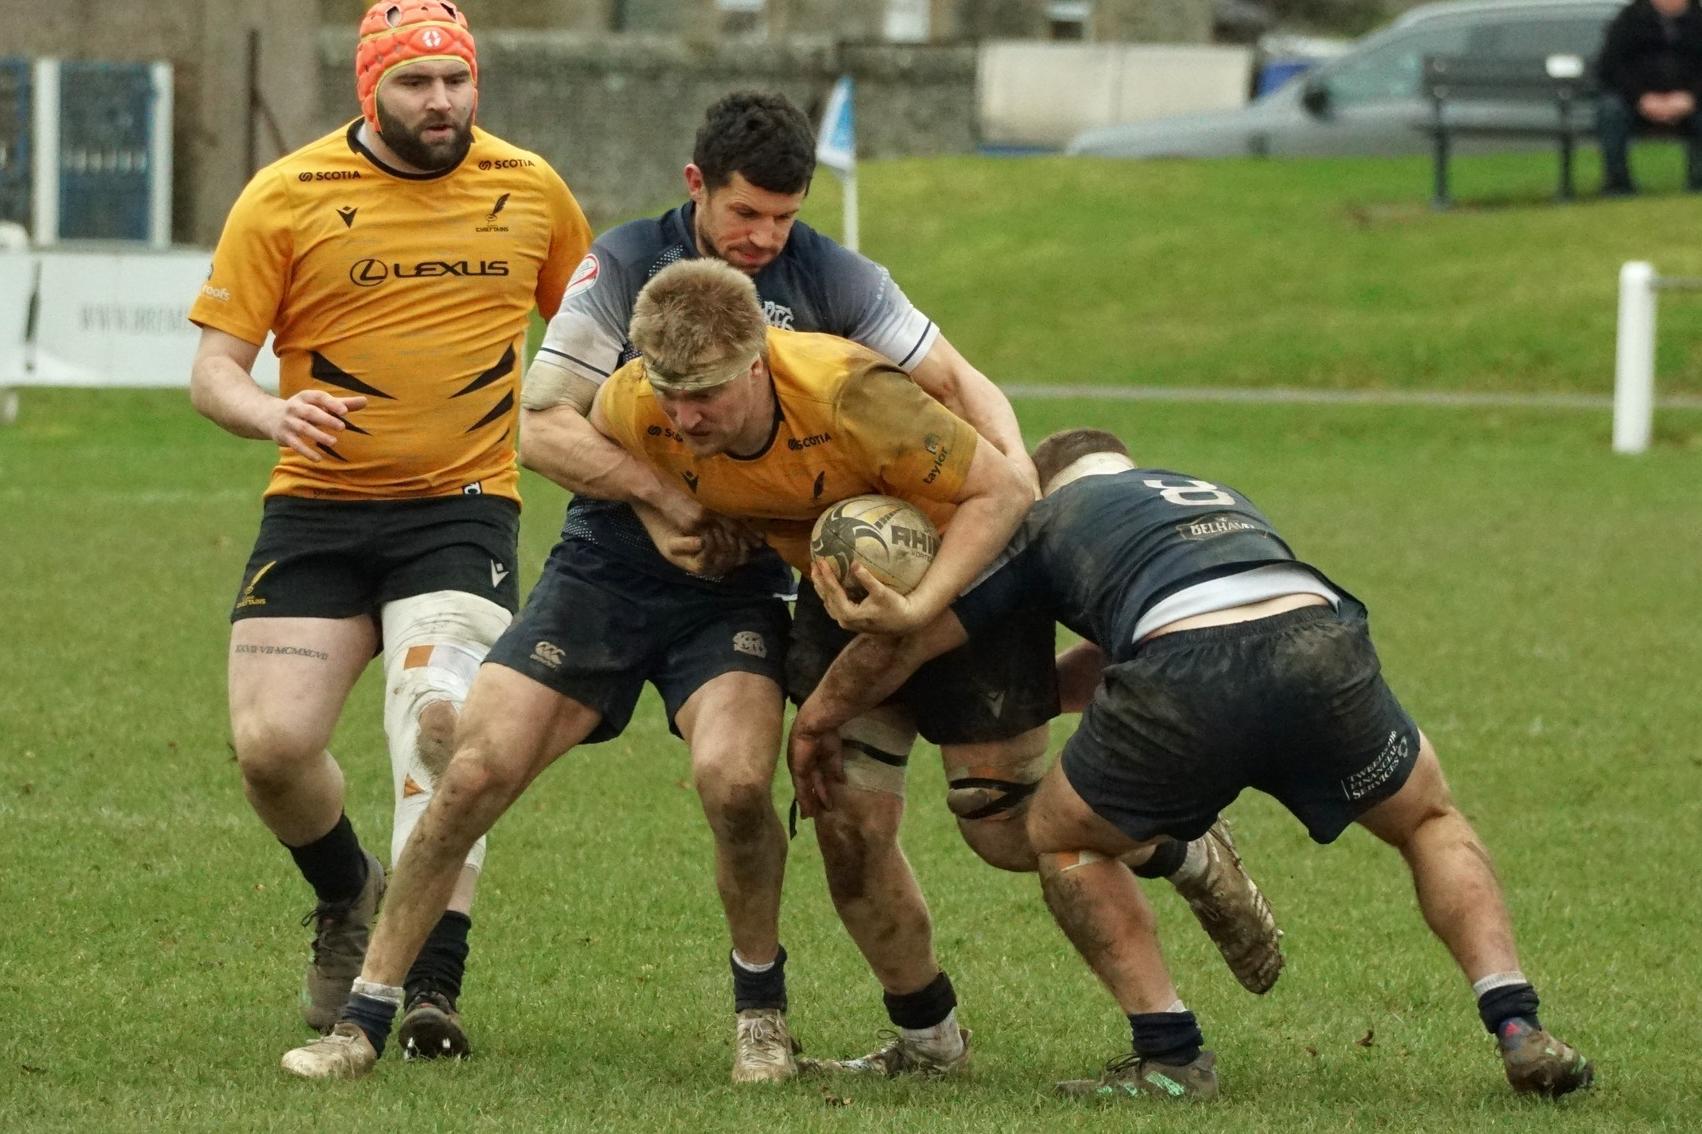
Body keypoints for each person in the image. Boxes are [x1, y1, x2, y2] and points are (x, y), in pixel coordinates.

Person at [275, 254, 1035, 1082]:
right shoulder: (639, 398)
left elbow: (1003, 488)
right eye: (668, 390)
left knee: (739, 784)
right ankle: (362, 1018)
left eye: (705, 393)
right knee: (473, 771)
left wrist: (921, 609)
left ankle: (761, 1018)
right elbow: (543, 432)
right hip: (606, 573)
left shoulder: (851, 392)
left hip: (735, 593)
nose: (685, 415)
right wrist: (658, 500)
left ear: (758, 361)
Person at [789, 427, 1594, 1101]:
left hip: (1186, 674)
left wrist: (818, 719)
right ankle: (1518, 1021)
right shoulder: (1203, 490)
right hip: (1319, 642)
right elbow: (1166, 623)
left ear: (1044, 483)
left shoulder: (1041, 522)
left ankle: (1170, 1054)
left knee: (1058, 833)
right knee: (1427, 817)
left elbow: (914, 639)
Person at [188, 0, 590, 1061]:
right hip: (315, 508)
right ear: (369, 87)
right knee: (271, 748)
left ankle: (430, 986)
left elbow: (594, 340)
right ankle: (346, 894)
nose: (442, 101)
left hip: (461, 509)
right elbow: (212, 372)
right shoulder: (288, 194)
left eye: (457, 80)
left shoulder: (530, 188)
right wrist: (274, 412)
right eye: (417, 84)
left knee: (441, 720)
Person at [1596, 0, 1702, 195]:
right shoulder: (1629, 20)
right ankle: (1618, 184)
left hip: (1689, 101)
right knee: (1611, 111)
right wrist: (1641, 98)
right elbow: (1611, 66)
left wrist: (1691, 97)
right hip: (1636, 101)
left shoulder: (1698, 21)